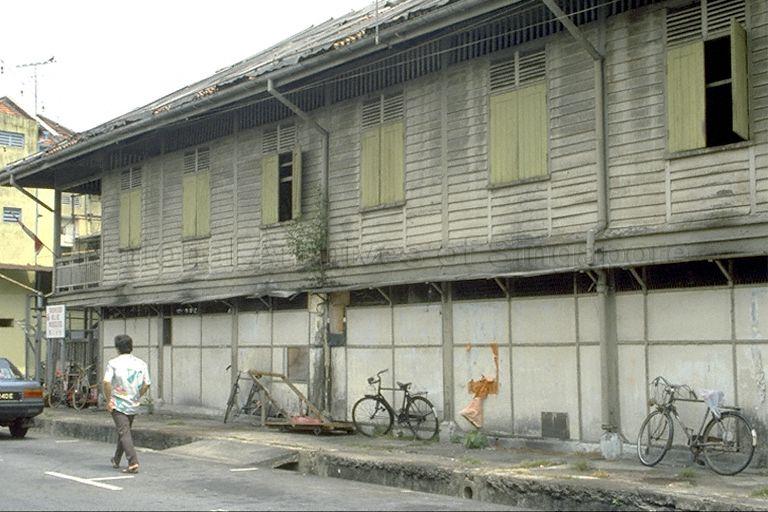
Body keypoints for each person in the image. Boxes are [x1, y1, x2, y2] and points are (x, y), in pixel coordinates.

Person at [103, 334, 151, 474]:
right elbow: (146, 384)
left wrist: (109, 399)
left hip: (118, 403)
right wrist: (137, 395)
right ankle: (116, 459)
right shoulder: (141, 363)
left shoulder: (113, 363)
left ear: (117, 348)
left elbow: (106, 382)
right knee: (124, 431)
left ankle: (133, 462)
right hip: (133, 402)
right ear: (131, 346)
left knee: (124, 432)